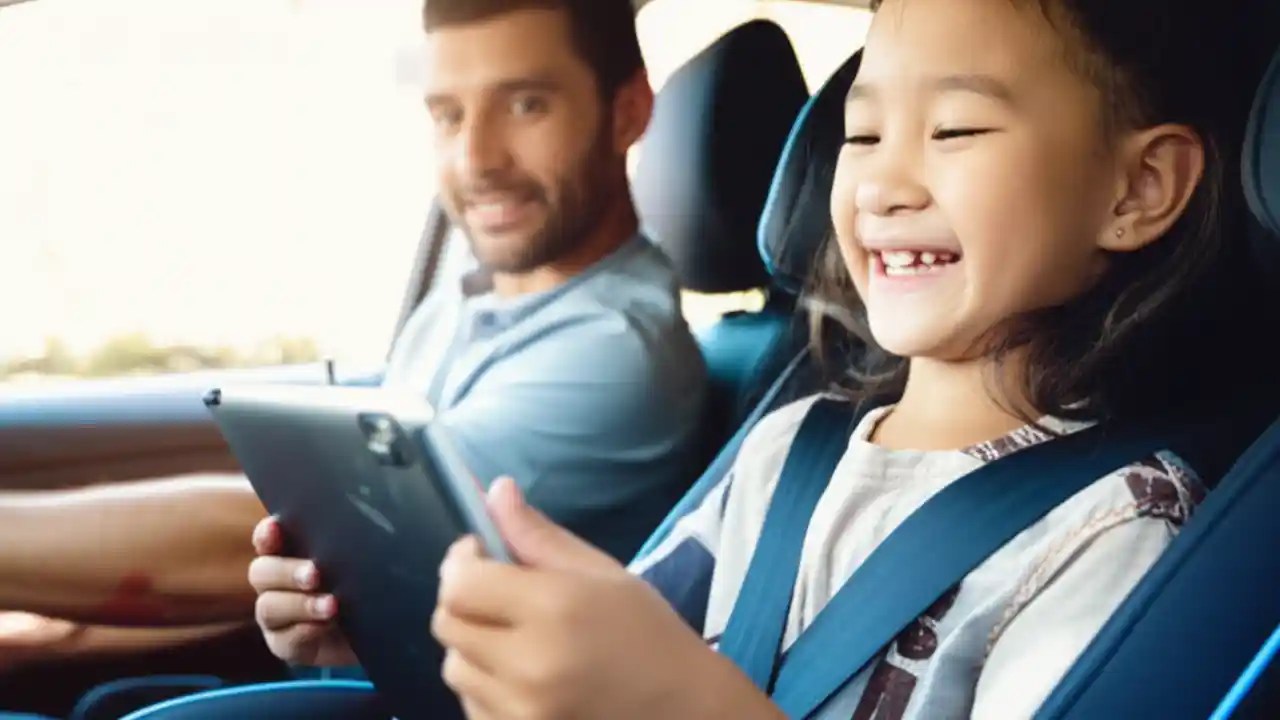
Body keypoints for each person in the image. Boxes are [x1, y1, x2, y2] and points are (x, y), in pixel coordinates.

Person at [375, 0, 1261, 717]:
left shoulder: (1110, 529)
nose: (882, 183)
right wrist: (423, 619)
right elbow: (591, 654)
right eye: (863, 136)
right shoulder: (787, 451)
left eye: (954, 131)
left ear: (1138, 188)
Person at [0, 0, 704, 663]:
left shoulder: (615, 351)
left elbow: (297, 534)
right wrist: (58, 641)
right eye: (448, 115)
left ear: (628, 111)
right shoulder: (477, 290)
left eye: (525, 105)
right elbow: (302, 580)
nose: (476, 159)